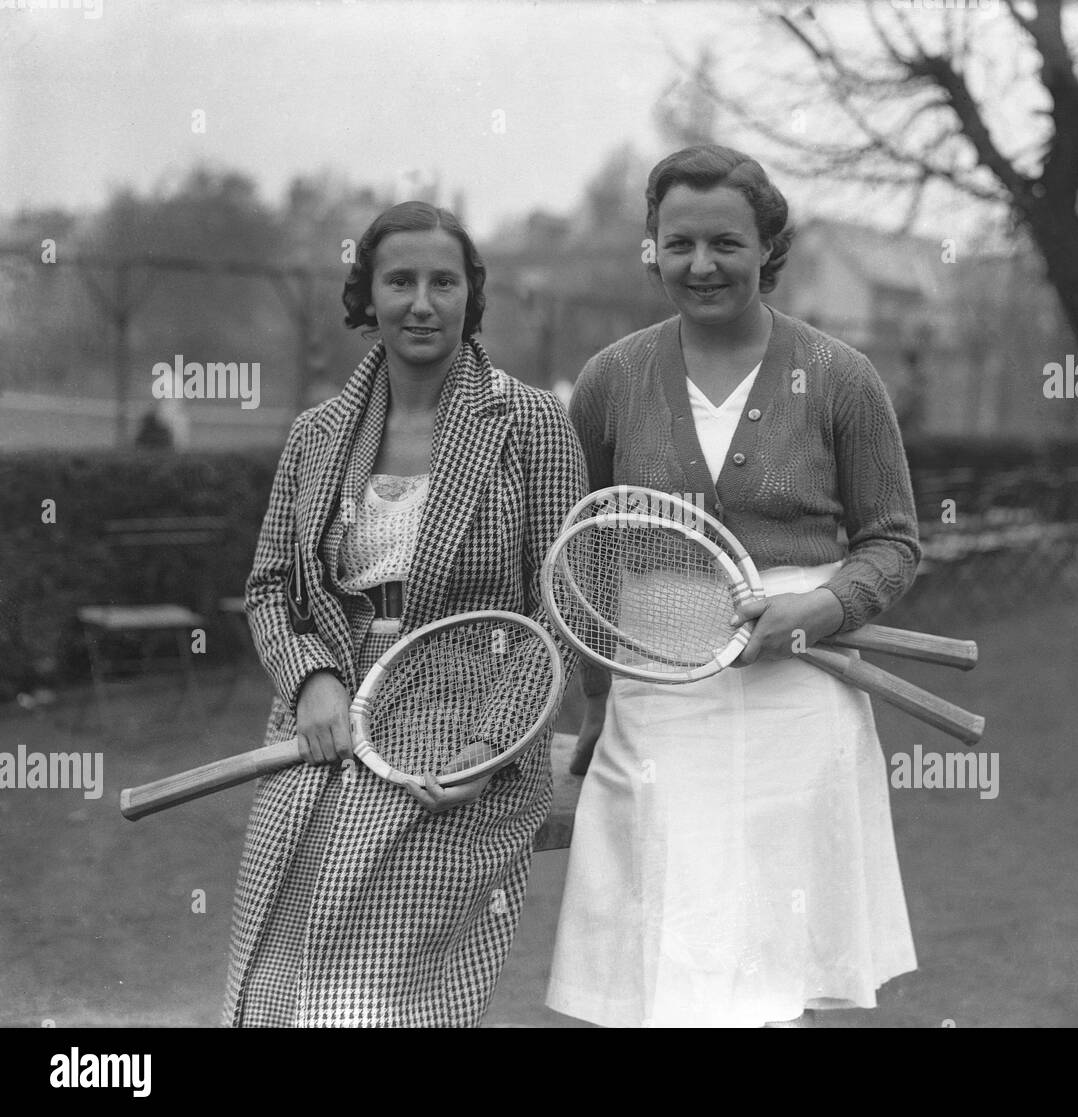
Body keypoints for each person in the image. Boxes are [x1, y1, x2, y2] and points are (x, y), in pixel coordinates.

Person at [546, 145, 921, 1028]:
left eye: (726, 243)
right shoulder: (610, 380)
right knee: (671, 947)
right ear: (653, 248)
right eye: (678, 244)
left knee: (777, 960)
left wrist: (820, 607)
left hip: (803, 690)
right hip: (659, 694)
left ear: (767, 247)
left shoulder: (839, 376)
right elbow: (580, 556)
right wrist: (595, 701)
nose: (702, 265)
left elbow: (894, 541)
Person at [223, 201, 586, 1027]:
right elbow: (269, 587)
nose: (421, 302)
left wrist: (493, 746)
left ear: (471, 294)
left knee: (377, 1002)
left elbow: (562, 604)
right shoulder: (317, 433)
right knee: (279, 987)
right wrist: (310, 679)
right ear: (368, 295)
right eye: (400, 281)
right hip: (321, 731)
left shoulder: (530, 422)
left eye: (443, 281)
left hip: (463, 743)